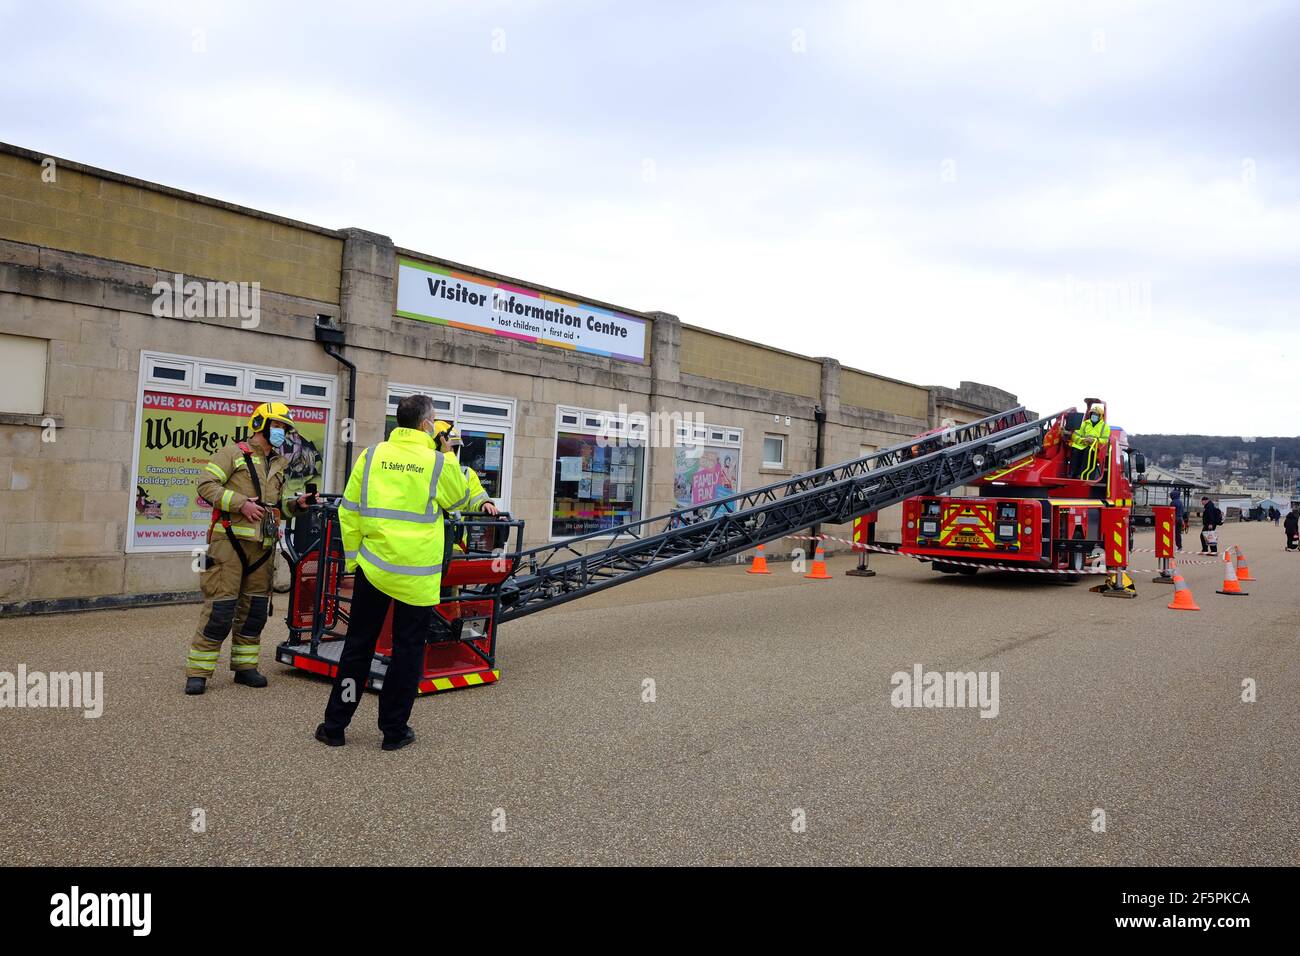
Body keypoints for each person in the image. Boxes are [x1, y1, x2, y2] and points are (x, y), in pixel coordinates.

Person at [317, 395, 468, 750]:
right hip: (416, 575)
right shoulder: (436, 462)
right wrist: (446, 453)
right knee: (407, 651)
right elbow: (458, 500)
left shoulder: (371, 456)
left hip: (374, 568)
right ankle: (394, 731)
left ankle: (335, 727)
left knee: (358, 647)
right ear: (426, 424)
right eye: (434, 420)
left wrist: (355, 560)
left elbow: (348, 512)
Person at [184, 403, 316, 695]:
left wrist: (296, 506)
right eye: (278, 426)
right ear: (260, 424)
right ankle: (198, 672)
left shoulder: (279, 463)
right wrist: (239, 503)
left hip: (263, 548)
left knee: (255, 610)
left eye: (285, 428)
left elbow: (272, 507)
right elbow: (205, 485)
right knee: (221, 609)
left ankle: (245, 668)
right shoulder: (232, 453)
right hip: (228, 543)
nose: (282, 432)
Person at [1069, 403, 1110, 480]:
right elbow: (1075, 435)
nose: (1094, 416)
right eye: (1092, 414)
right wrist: (1082, 440)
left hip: (1094, 446)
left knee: (1088, 452)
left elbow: (1105, 440)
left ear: (1100, 416)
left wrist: (1094, 440)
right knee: (1075, 451)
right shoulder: (1084, 424)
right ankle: (1073, 473)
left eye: (1096, 414)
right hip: (1082, 444)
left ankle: (1083, 474)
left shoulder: (1105, 427)